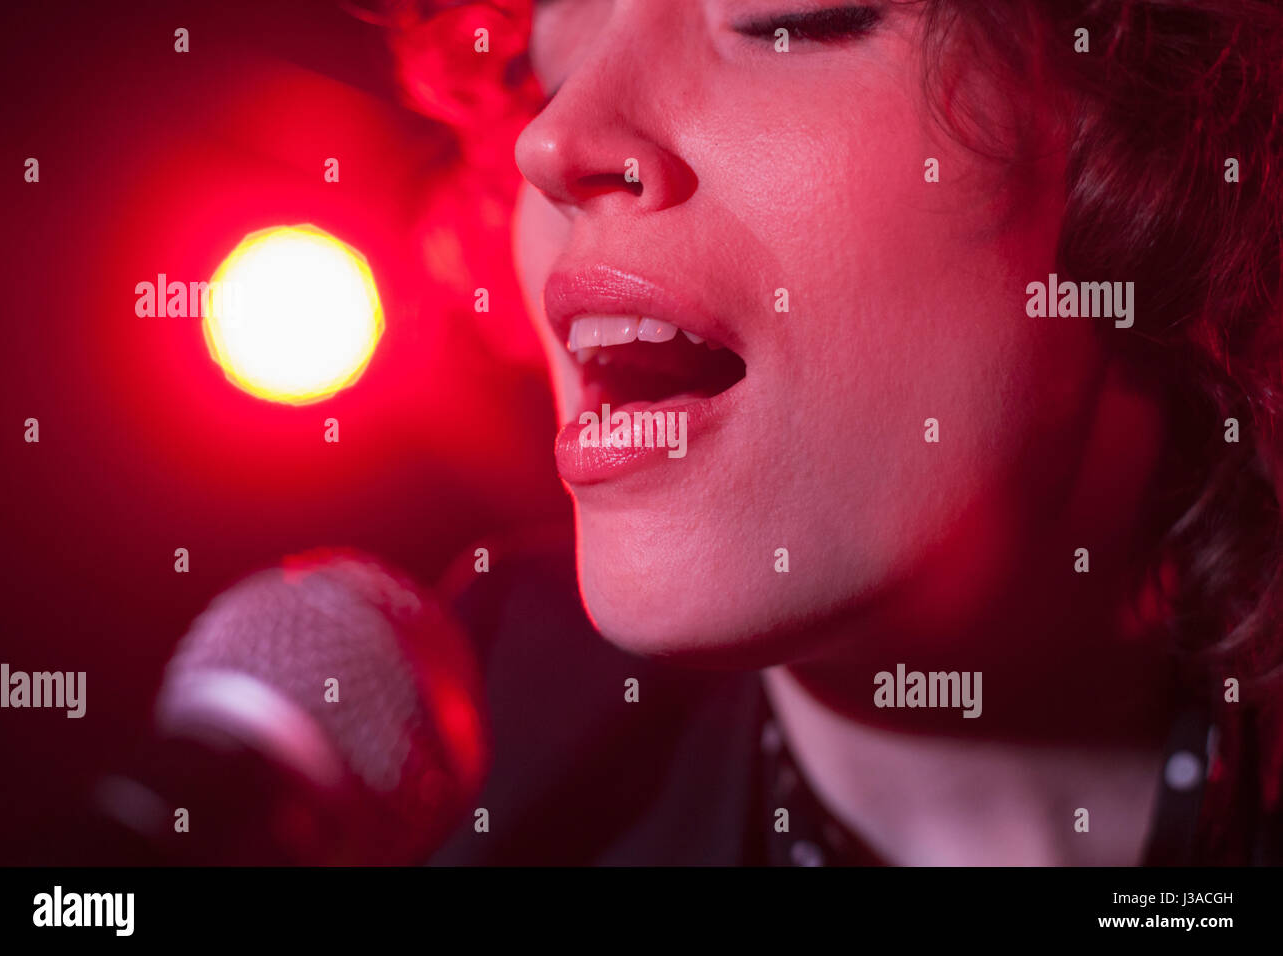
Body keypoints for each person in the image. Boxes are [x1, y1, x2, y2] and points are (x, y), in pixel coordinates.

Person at [394, 0, 1283, 865]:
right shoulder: (460, 754)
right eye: (548, 70)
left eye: (786, 21)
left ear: (1172, 140)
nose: (550, 141)